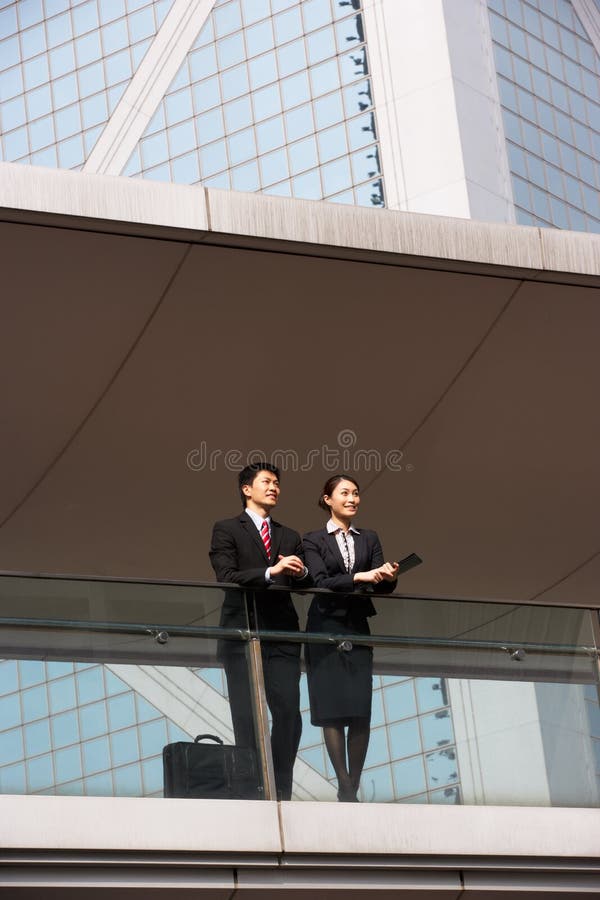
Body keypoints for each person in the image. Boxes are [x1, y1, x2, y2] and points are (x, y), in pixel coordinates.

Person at [209, 462, 311, 800]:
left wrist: (299, 573)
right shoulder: (226, 529)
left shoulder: (289, 535)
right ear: (246, 489)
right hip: (241, 634)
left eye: (277, 483)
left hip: (281, 635)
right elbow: (226, 575)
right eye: (266, 482)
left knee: (288, 714)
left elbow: (303, 584)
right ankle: (253, 787)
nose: (274, 488)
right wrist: (271, 571)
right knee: (247, 716)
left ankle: (280, 786)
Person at [302, 475, 398, 802]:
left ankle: (350, 788)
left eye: (356, 493)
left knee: (360, 709)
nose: (352, 498)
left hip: (357, 626)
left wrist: (386, 577)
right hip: (324, 625)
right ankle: (343, 784)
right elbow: (320, 580)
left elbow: (379, 586)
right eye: (345, 493)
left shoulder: (369, 538)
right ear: (327, 499)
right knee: (331, 709)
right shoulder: (312, 539)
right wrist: (360, 576)